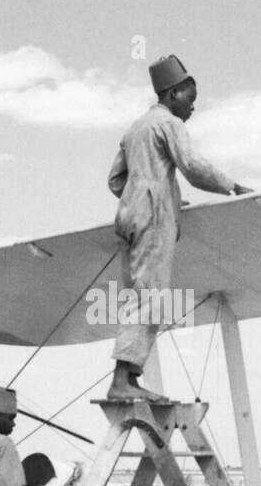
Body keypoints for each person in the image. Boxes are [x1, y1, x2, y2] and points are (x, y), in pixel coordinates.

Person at [106, 55, 251, 400]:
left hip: (130, 216)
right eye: (189, 99)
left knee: (137, 296)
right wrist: (232, 186)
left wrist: (154, 192)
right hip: (153, 218)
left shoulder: (134, 129)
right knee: (150, 297)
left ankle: (127, 379)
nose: (192, 108)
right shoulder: (169, 124)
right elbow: (192, 166)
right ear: (172, 95)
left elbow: (116, 181)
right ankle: (123, 383)